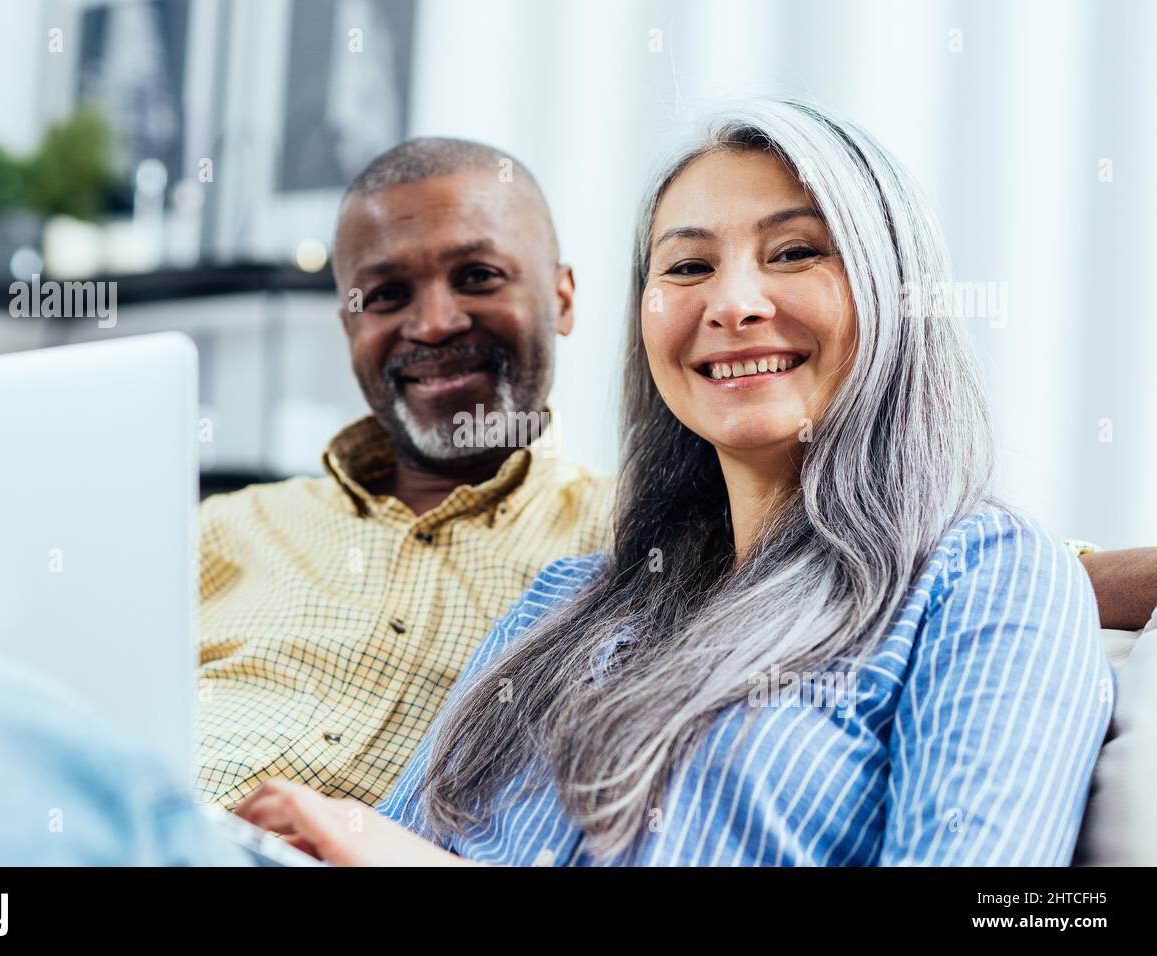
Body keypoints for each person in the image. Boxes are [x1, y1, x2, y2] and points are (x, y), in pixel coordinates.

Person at [231, 98, 1116, 866]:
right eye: (688, 266)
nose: (730, 304)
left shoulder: (986, 579)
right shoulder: (564, 602)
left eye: (795, 250)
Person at [194, 137, 611, 808]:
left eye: (478, 275)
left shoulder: (639, 541)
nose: (435, 324)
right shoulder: (221, 528)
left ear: (561, 298)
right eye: (386, 295)